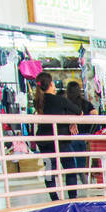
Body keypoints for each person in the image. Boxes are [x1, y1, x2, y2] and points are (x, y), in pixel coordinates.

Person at [34, 73, 82, 201]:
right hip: (61, 140)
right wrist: (71, 120)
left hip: (44, 141)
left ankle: (54, 199)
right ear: (51, 84)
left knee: (50, 169)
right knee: (70, 167)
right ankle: (72, 198)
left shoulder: (38, 101)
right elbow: (79, 112)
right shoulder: (60, 100)